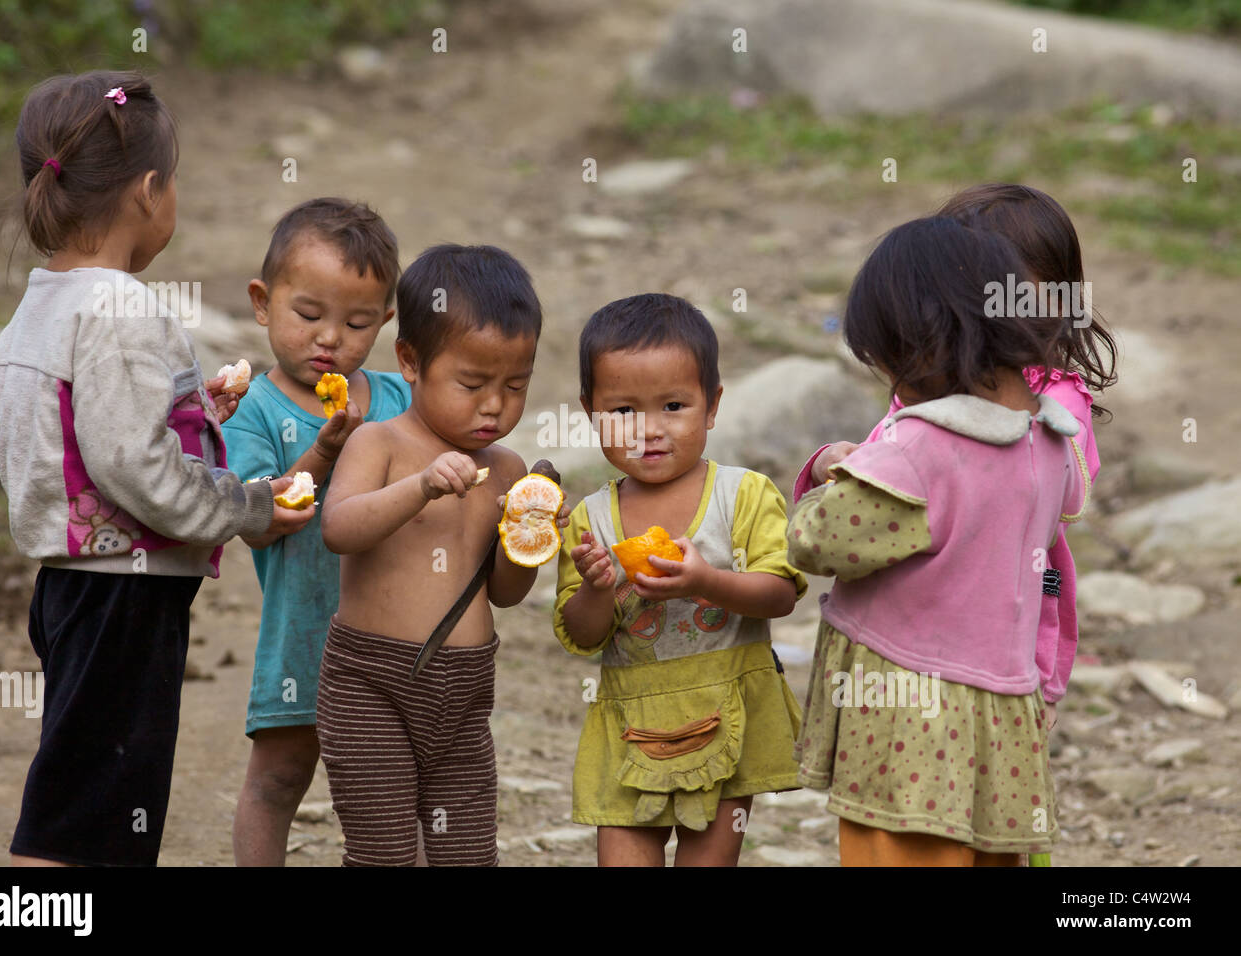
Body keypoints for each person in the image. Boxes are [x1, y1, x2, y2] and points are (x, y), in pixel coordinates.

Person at [0, 70, 311, 867]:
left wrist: (192, 413)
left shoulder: (42, 304)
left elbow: (82, 436)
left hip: (67, 587)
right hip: (123, 595)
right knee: (85, 815)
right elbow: (132, 464)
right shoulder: (123, 307)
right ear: (147, 190)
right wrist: (247, 506)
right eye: (177, 186)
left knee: (77, 781)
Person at [786, 216, 1090, 866]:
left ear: (922, 349)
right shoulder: (1055, 443)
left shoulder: (921, 450)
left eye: (889, 364)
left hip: (909, 725)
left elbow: (820, 542)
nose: (892, 387)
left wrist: (829, 472)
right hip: (1004, 715)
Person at [795, 184, 1115, 726]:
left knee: (1003, 714)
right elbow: (882, 471)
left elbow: (1067, 491)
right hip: (926, 586)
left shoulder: (1056, 399)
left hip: (1013, 573)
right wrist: (835, 463)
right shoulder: (924, 384)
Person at [316, 243, 561, 866]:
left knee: (470, 854)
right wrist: (419, 486)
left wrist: (528, 536)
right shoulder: (382, 443)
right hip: (371, 685)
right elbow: (339, 528)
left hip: (466, 691)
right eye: (472, 383)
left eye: (515, 386)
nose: (494, 405)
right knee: (385, 853)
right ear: (410, 361)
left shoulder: (504, 468)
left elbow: (504, 592)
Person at [554, 293, 808, 867]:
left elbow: (780, 594)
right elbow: (581, 634)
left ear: (712, 405)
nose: (649, 431)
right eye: (622, 412)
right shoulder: (589, 520)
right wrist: (597, 588)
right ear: (590, 410)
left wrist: (707, 581)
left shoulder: (741, 495)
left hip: (728, 720)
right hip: (629, 731)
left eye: (673, 405)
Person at [223, 197, 410, 866]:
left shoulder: (398, 402)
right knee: (276, 781)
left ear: (385, 323)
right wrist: (326, 451)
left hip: (392, 640)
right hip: (303, 635)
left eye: (357, 323)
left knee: (394, 792)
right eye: (308, 315)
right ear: (263, 302)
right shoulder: (252, 412)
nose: (330, 339)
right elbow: (260, 524)